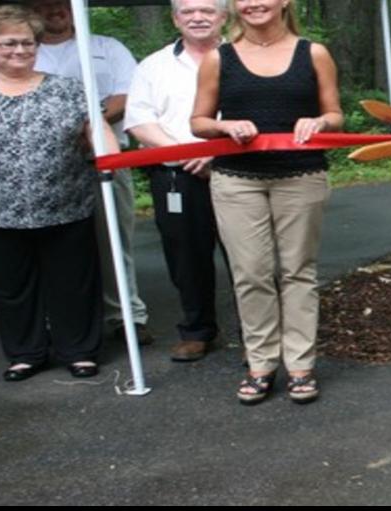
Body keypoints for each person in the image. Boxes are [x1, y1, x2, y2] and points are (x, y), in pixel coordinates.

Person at [0, 4, 112, 381]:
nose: (19, 51)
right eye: (8, 44)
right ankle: (25, 353)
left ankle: (78, 350)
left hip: (66, 204)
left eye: (27, 43)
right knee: (12, 286)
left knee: (73, 282)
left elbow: (97, 134)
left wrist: (107, 152)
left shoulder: (69, 90)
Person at [191, 0, 342, 405]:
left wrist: (320, 122)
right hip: (237, 180)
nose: (254, 3)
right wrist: (223, 125)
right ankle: (261, 364)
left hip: (301, 176)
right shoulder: (218, 58)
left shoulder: (313, 52)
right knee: (251, 273)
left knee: (298, 272)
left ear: (283, 2)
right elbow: (198, 122)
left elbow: (335, 113)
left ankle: (300, 365)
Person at [0, 0, 149, 345]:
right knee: (55, 249)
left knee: (113, 240)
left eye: (61, 3)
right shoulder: (20, 51)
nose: (54, 9)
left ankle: (125, 315)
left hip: (101, 158)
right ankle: (52, 320)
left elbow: (128, 94)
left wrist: (86, 126)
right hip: (40, 171)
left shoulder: (106, 47)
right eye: (43, 4)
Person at [125, 0, 236, 363]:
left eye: (207, 10)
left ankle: (258, 334)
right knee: (185, 256)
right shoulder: (153, 66)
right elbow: (139, 121)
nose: (197, 18)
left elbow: (259, 112)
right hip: (176, 175)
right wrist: (188, 152)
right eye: (188, 12)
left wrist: (216, 153)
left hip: (237, 170)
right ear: (175, 19)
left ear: (223, 17)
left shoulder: (243, 56)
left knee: (248, 255)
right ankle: (196, 331)